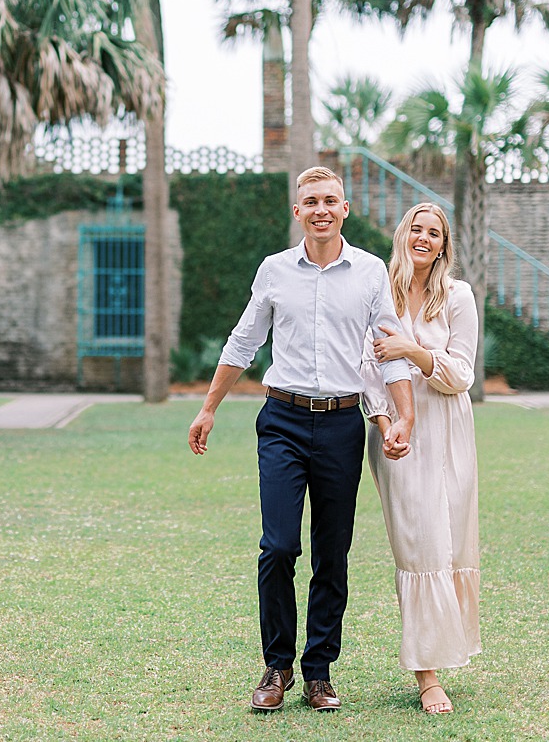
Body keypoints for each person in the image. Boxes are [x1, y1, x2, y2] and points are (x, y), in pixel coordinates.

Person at [188, 166, 415, 714]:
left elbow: (388, 349)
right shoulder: (274, 271)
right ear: (298, 212)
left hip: (341, 424)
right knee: (279, 546)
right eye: (310, 201)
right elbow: (244, 340)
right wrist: (209, 408)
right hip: (283, 422)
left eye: (329, 201)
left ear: (344, 209)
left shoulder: (369, 271)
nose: (320, 209)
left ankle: (319, 672)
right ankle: (276, 665)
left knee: (331, 550)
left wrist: (402, 416)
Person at [363, 201, 481, 714]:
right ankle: (427, 676)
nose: (424, 238)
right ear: (402, 234)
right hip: (396, 434)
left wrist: (410, 350)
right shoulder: (376, 292)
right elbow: (366, 372)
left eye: (434, 233)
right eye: (417, 228)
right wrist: (387, 427)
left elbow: (460, 374)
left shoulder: (457, 297)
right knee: (419, 546)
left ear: (443, 246)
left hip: (450, 430)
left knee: (449, 543)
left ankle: (440, 653)